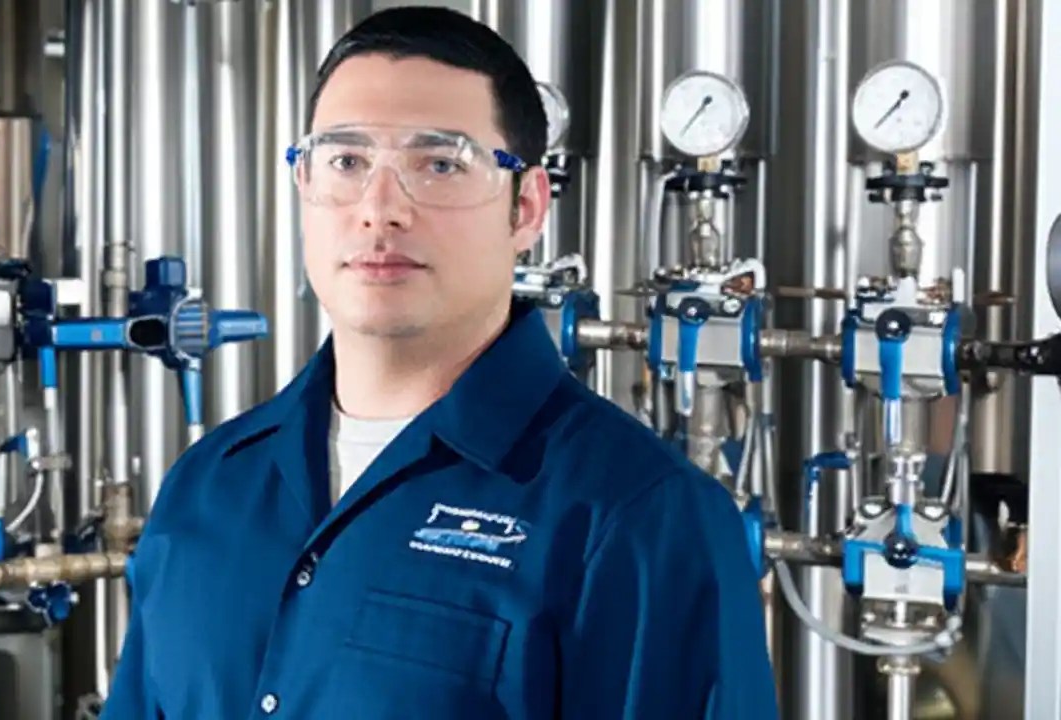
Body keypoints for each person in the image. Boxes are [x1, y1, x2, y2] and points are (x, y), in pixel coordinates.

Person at [100, 7, 777, 719]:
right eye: (346, 161)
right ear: (303, 184)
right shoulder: (208, 487)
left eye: (441, 163)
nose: (380, 209)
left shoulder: (639, 518)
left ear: (527, 208)